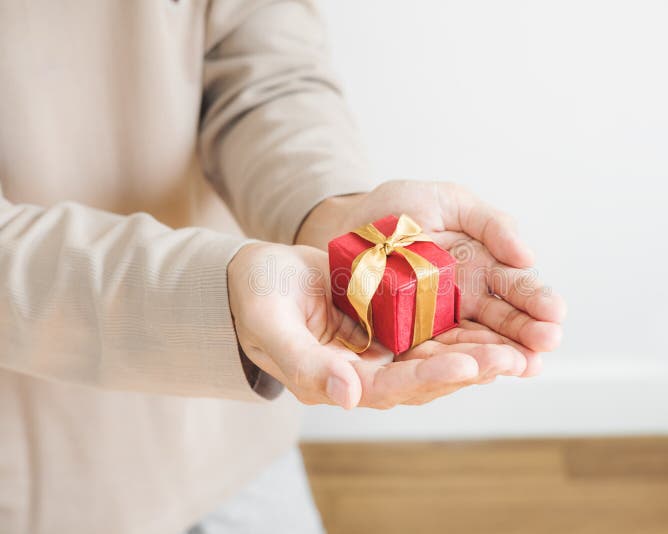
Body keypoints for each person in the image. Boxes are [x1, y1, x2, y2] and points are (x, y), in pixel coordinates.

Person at [0, 1, 566, 533]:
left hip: (231, 420)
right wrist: (218, 297)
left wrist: (328, 209)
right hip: (33, 474)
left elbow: (261, 70)